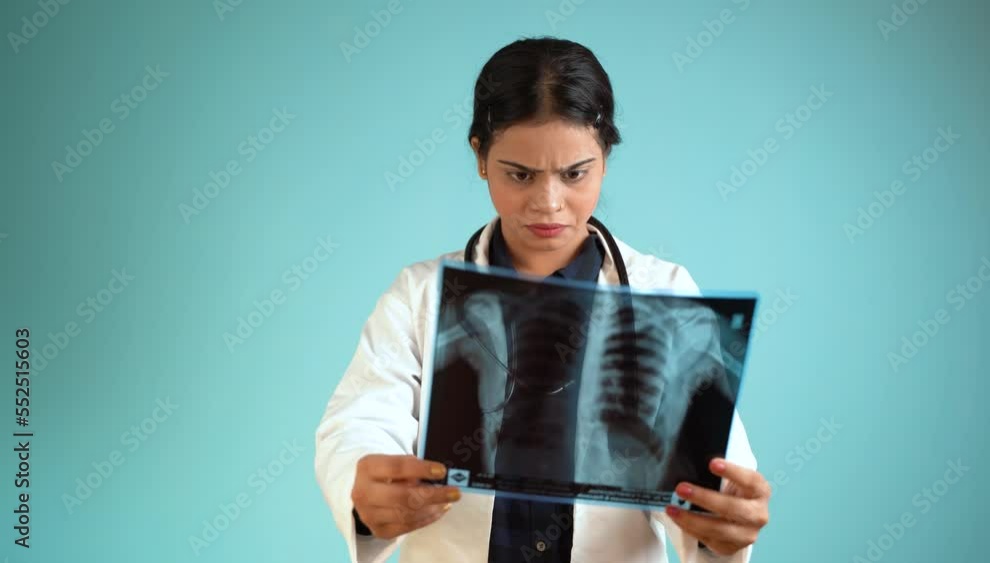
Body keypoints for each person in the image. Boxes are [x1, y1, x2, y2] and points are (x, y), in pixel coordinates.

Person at [315, 36, 771, 563]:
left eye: (575, 173)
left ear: (606, 157)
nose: (548, 202)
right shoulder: (419, 294)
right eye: (520, 174)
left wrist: (727, 518)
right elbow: (358, 422)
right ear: (480, 156)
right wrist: (367, 490)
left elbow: (716, 466)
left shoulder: (663, 292)